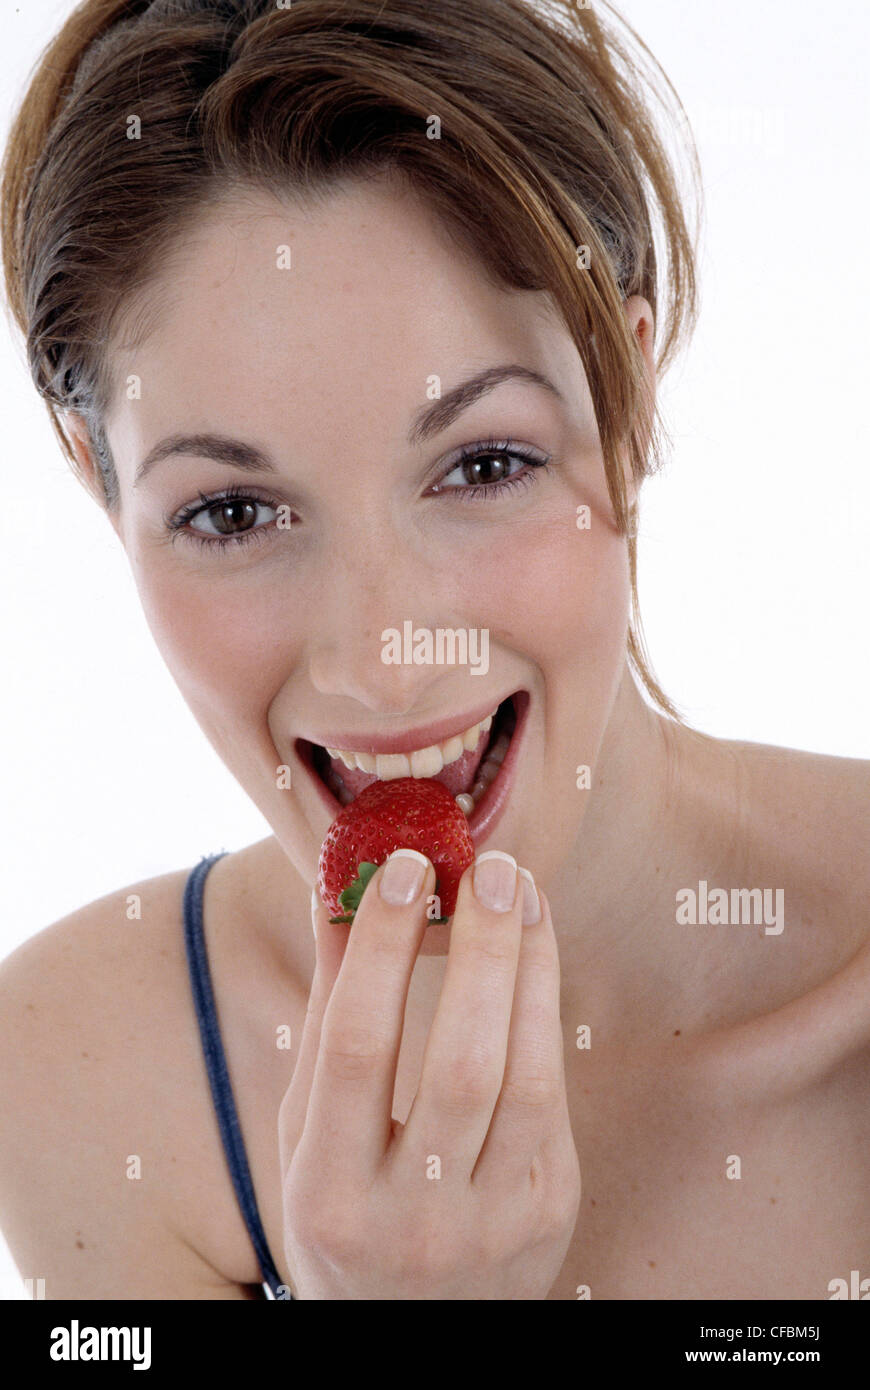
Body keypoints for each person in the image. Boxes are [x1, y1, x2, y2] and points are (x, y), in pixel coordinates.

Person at [0, 0, 867, 1301]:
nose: (382, 663)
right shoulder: (74, 1077)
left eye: (483, 463)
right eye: (232, 512)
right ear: (97, 480)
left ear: (622, 410)